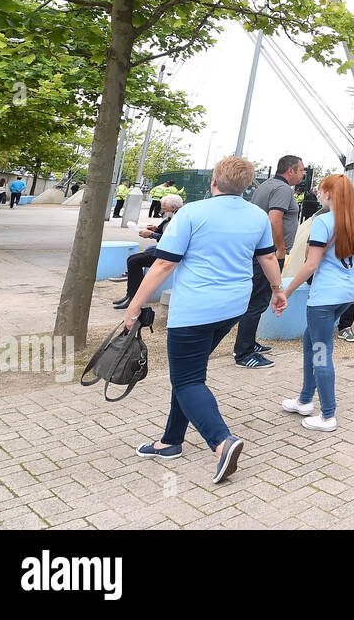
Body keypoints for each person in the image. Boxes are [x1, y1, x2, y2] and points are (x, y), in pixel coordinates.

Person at [122, 156, 286, 484]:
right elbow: (268, 256)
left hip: (195, 310)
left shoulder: (192, 213)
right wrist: (278, 290)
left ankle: (222, 442)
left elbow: (164, 265)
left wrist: (133, 307)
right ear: (247, 186)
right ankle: (170, 442)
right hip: (232, 308)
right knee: (190, 376)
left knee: (187, 380)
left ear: (214, 181)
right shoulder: (256, 215)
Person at [279, 174, 354, 432]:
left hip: (324, 298)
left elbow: (311, 264)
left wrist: (286, 290)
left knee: (321, 352)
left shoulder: (323, 222)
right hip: (345, 293)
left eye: (320, 191)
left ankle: (328, 415)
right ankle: (305, 400)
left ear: (329, 194)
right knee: (311, 341)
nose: (318, 195)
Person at [234, 154, 304, 369]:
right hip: (269, 253)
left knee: (257, 298)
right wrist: (279, 249)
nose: (303, 174)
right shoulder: (283, 190)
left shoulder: (266, 185)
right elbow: (274, 218)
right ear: (290, 171)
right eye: (301, 170)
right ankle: (244, 353)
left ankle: (249, 343)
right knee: (258, 301)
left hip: (258, 250)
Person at [113, 194, 182, 308]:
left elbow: (171, 238)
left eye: (164, 208)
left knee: (134, 262)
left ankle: (134, 297)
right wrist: (155, 229)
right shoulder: (171, 216)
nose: (162, 210)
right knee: (132, 259)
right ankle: (130, 294)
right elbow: (163, 230)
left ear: (173, 207)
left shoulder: (179, 218)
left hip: (171, 252)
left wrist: (152, 235)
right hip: (164, 248)